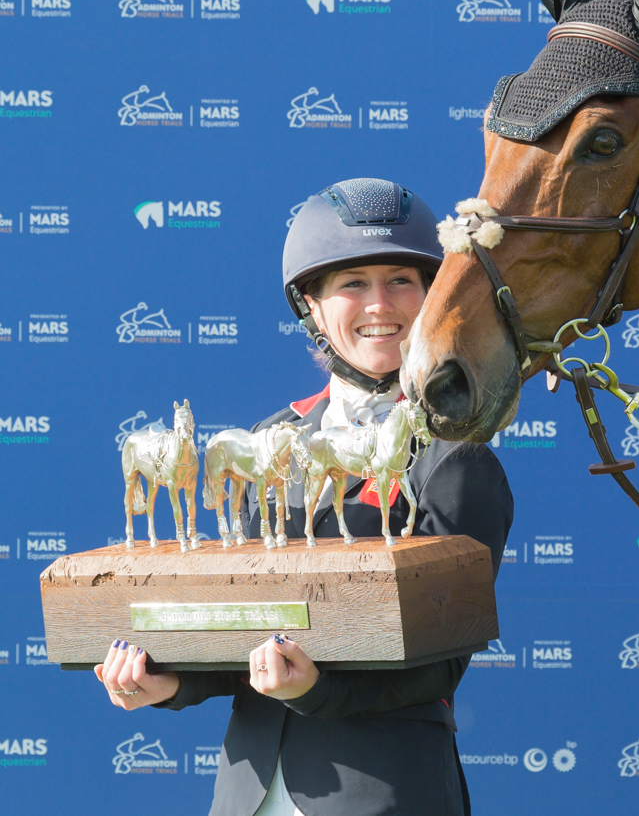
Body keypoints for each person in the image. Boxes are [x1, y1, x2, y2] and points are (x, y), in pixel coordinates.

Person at [94, 179, 514, 816]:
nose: (380, 303)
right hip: (248, 793)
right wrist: (168, 681)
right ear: (311, 307)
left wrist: (316, 691)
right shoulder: (273, 441)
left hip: (384, 795)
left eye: (401, 279)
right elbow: (241, 621)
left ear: (431, 296)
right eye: (352, 284)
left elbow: (441, 661)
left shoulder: (458, 456)